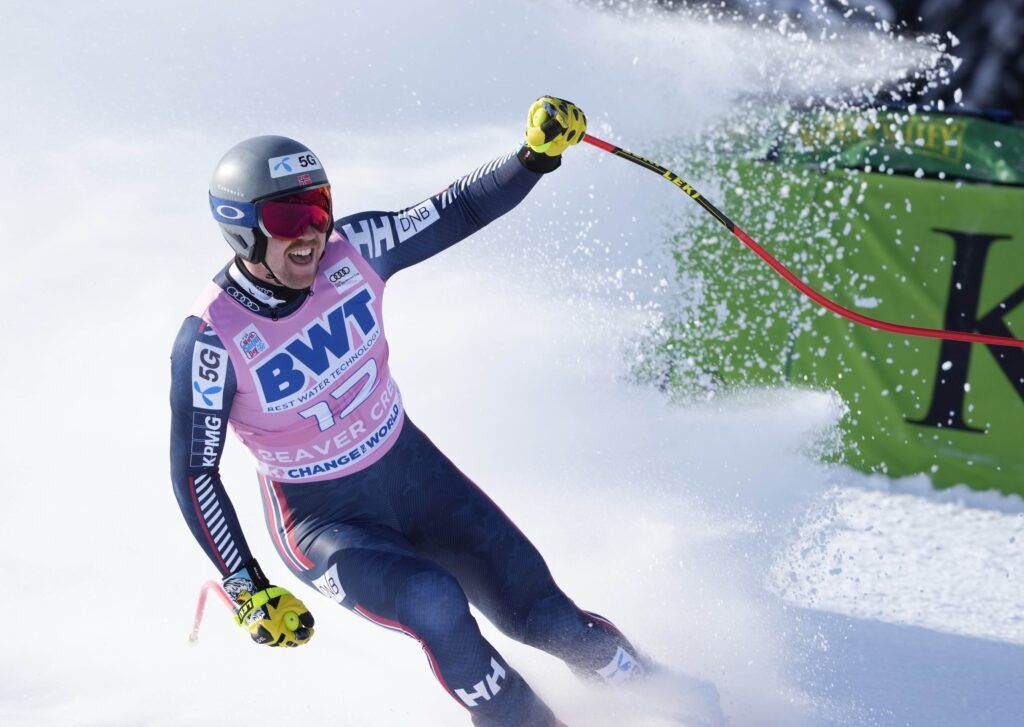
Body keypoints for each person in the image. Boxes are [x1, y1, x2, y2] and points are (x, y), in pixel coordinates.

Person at [169, 97, 647, 726]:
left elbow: (458, 209)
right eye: (289, 216)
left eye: (319, 207)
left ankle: (677, 700)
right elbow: (196, 473)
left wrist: (534, 157)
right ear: (241, 229)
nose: (312, 232)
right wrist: (246, 585)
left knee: (548, 615)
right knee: (435, 601)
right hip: (325, 521)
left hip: (412, 473)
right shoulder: (211, 338)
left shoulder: (355, 247)